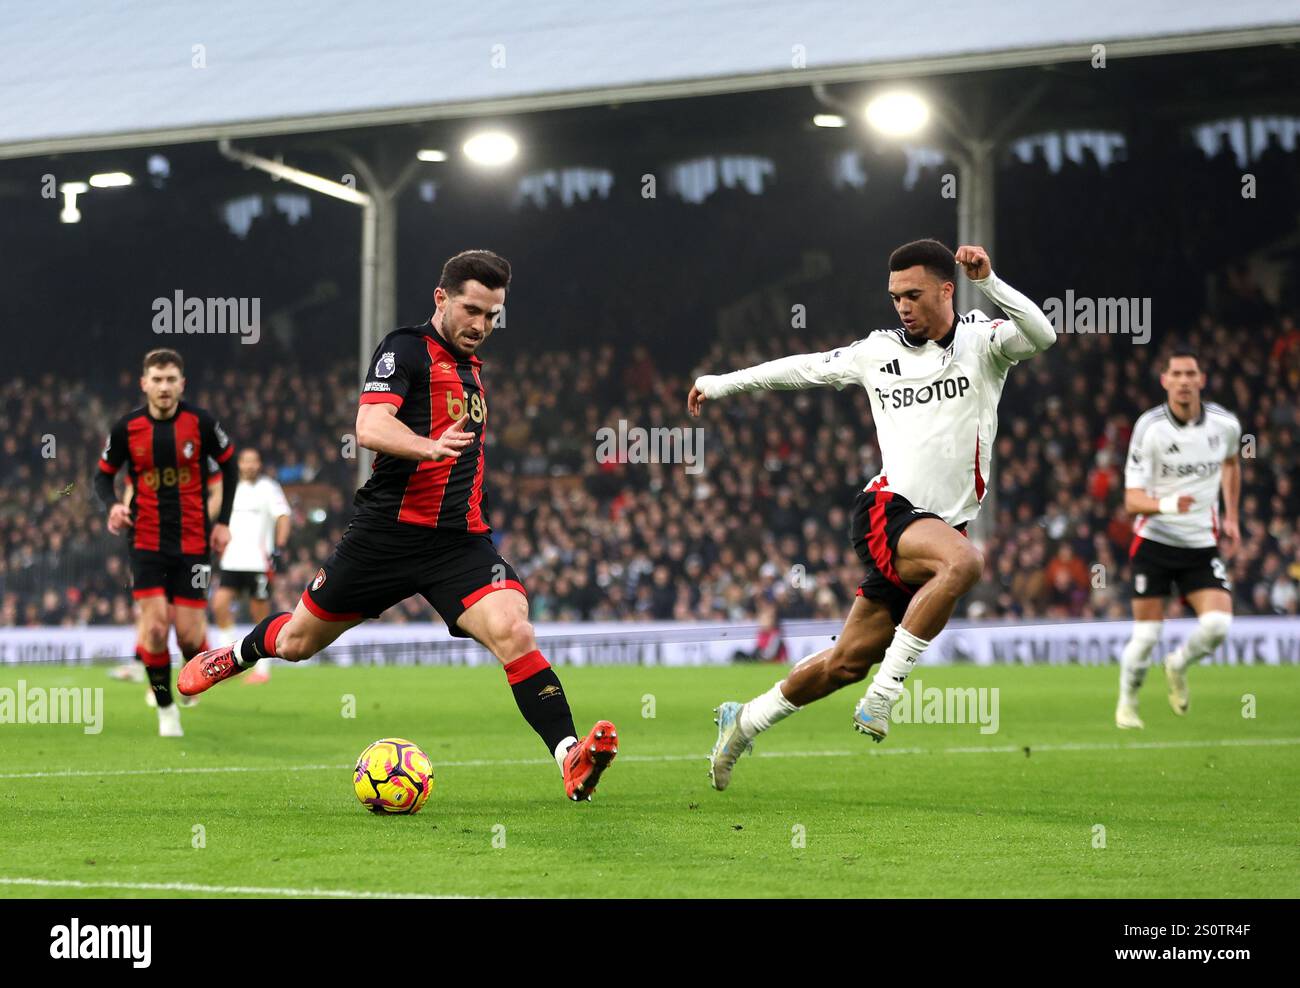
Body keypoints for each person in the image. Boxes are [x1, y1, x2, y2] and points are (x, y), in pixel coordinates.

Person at [177, 251, 617, 801]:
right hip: (384, 536)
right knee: (294, 642)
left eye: (492, 315)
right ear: (441, 298)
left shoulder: (472, 370)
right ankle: (236, 654)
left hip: (459, 542)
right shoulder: (404, 348)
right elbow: (369, 425)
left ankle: (569, 757)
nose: (481, 325)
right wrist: (428, 448)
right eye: (472, 310)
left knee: (514, 629)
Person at [689, 240, 1056, 791]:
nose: (902, 306)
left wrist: (993, 280)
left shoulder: (983, 342)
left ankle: (741, 721)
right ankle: (884, 696)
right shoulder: (877, 351)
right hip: (888, 510)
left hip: (937, 526)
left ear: (946, 288)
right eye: (894, 297)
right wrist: (721, 383)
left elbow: (1043, 335)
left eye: (913, 294)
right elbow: (803, 369)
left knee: (844, 662)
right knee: (965, 564)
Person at [95, 348, 237, 736]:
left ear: (181, 384)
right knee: (155, 629)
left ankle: (191, 679)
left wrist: (222, 522)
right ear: (144, 384)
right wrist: (112, 507)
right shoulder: (127, 429)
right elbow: (102, 476)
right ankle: (165, 709)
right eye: (156, 380)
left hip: (193, 544)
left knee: (191, 637)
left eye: (171, 379)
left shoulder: (201, 423)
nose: (163, 387)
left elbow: (230, 464)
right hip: (144, 541)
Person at [1115, 349, 1240, 728]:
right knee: (1148, 635)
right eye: (1177, 374)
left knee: (1218, 625)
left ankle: (1179, 664)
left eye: (1191, 374)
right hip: (1154, 542)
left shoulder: (1226, 425)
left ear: (1202, 380)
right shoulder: (1150, 427)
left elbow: (1232, 463)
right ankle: (1128, 704)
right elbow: (1131, 501)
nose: (1184, 381)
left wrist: (1232, 516)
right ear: (1165, 381)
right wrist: (1169, 504)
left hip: (1201, 544)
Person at [211, 447, 291, 683]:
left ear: (259, 464)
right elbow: (212, 510)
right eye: (245, 461)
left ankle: (263, 671)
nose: (250, 465)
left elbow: (283, 517)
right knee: (219, 606)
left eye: (254, 461)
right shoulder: (229, 486)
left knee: (261, 615)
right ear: (239, 464)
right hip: (231, 561)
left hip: (258, 563)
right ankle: (228, 663)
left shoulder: (269, 488)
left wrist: (279, 547)